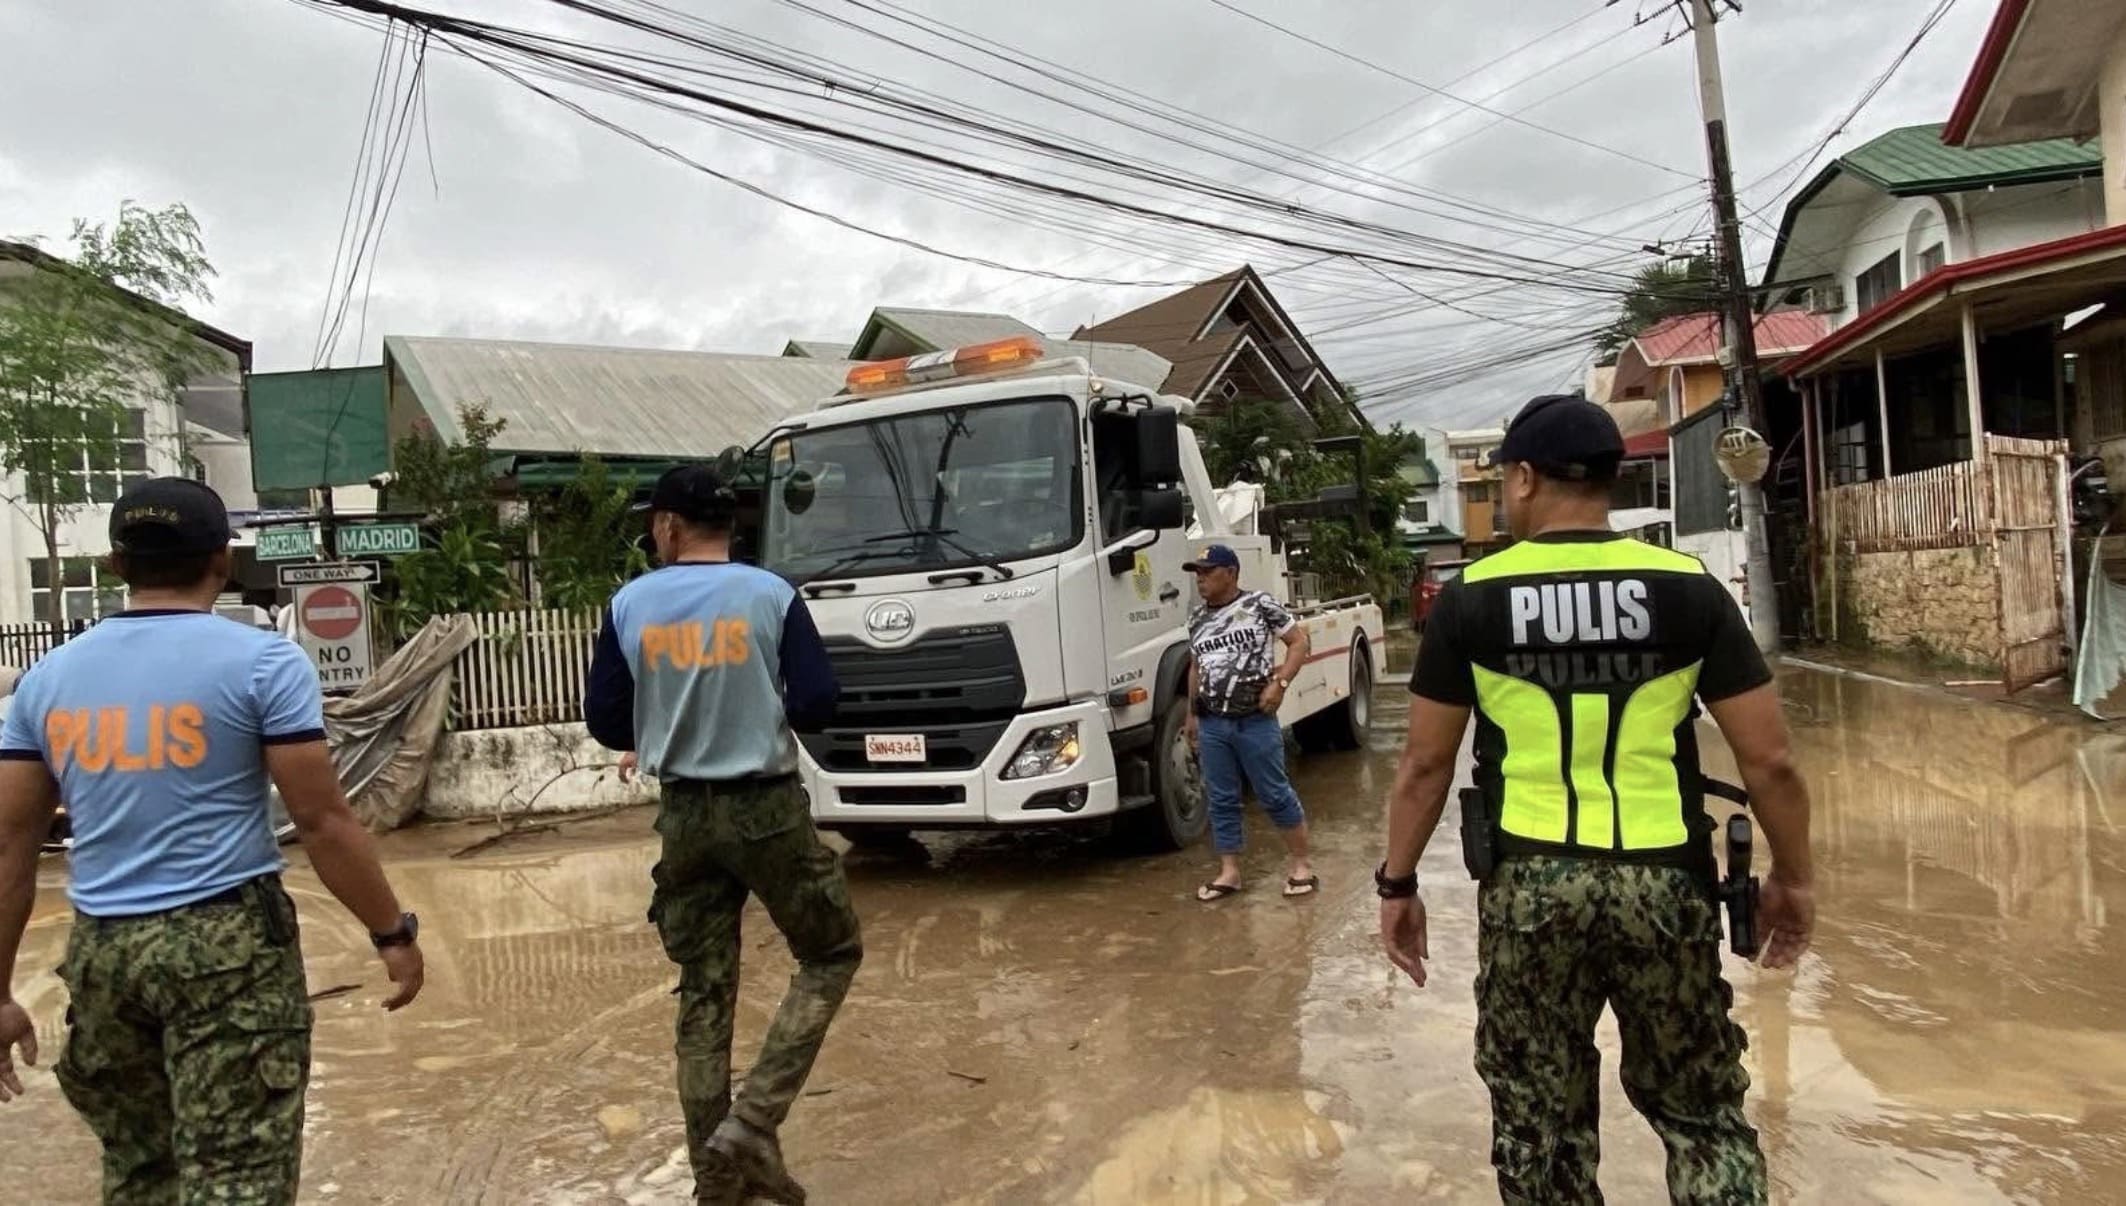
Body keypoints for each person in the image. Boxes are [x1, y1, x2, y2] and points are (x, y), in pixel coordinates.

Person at [1376, 395, 1814, 1204]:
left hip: (1530, 890)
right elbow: (1771, 761)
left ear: (1523, 478)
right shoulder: (1689, 588)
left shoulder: (1472, 597)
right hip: (1666, 883)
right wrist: (1794, 875)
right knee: (1702, 1114)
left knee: (1540, 1129)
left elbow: (1424, 766)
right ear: (1610, 477)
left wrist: (1396, 885)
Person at [0, 477, 424, 1204]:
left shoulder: (46, 681)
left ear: (117, 565)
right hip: (229, 951)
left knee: (140, 1176)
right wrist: (391, 932)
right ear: (222, 561)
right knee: (238, 1180)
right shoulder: (263, 663)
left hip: (102, 956)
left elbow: (10, 845)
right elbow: (323, 821)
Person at [585, 464, 857, 1206]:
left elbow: (606, 720)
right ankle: (755, 1122)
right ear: (728, 527)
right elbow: (819, 702)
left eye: (654, 523)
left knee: (704, 992)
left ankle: (717, 1182)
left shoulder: (630, 603)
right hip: (766, 809)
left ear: (669, 526)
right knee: (831, 952)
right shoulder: (771, 594)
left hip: (684, 817)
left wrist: (669, 714)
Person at [1183, 543, 1316, 902]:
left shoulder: (1260, 605)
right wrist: (1191, 714)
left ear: (1231, 573)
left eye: (1208, 571)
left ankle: (1301, 865)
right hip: (1213, 723)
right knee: (1221, 798)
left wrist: (1280, 684)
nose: (1200, 579)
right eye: (1197, 573)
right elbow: (1196, 667)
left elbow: (1298, 643)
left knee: (1274, 792)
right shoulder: (1196, 620)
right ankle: (1229, 872)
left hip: (1254, 720)